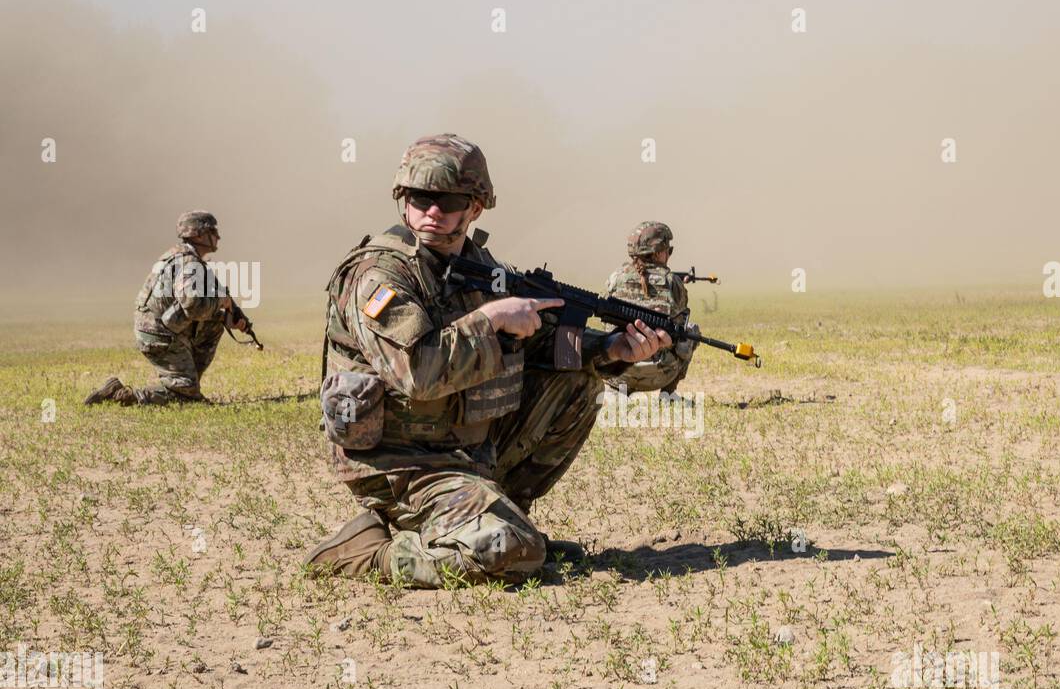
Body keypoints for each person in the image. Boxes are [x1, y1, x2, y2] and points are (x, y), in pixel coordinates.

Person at [305, 134, 671, 587]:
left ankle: (502, 514)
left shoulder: (480, 267)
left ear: (475, 207)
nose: (432, 211)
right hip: (402, 464)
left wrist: (612, 350)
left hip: (464, 450)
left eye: (449, 200)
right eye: (421, 198)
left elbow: (535, 345)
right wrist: (491, 319)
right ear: (403, 200)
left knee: (578, 380)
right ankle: (371, 553)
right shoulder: (380, 275)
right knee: (512, 553)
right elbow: (418, 372)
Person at [84, 211, 250, 406]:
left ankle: (186, 384)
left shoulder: (179, 256)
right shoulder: (188, 262)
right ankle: (121, 394)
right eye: (212, 231)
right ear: (198, 234)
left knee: (215, 323)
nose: (218, 236)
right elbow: (192, 305)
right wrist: (222, 301)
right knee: (186, 399)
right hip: (158, 334)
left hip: (161, 328)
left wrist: (224, 316)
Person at [602, 221, 695, 395]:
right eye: (668, 250)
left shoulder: (615, 277)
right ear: (659, 252)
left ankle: (616, 392)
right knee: (691, 331)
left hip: (618, 371)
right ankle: (668, 394)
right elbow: (679, 325)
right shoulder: (671, 281)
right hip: (659, 374)